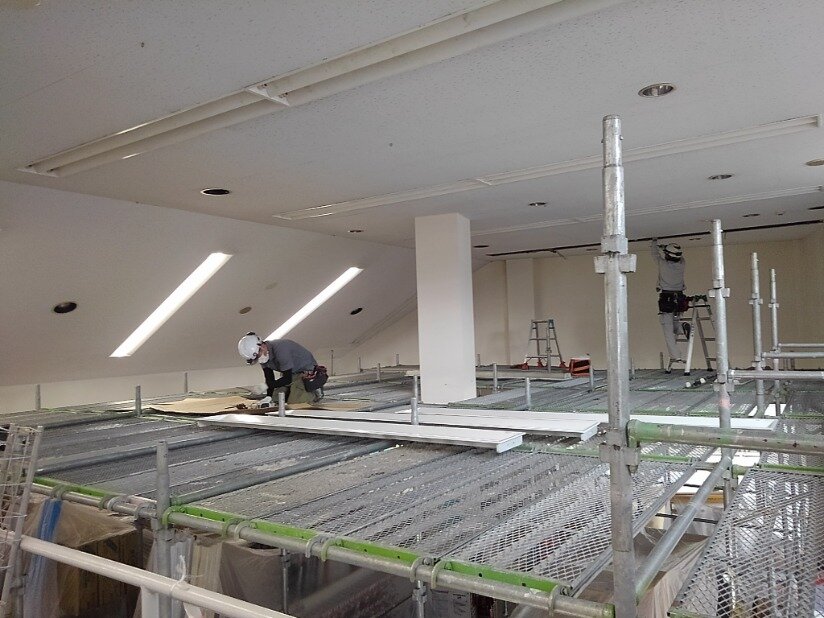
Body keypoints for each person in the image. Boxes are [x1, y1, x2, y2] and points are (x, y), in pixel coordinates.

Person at [237, 332, 326, 405]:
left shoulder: (281, 349)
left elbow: (287, 379)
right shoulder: (264, 356)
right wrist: (269, 397)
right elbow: (269, 378)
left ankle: (315, 392)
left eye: (258, 356)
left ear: (261, 346)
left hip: (306, 374)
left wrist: (266, 385)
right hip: (291, 374)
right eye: (256, 359)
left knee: (295, 404)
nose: (259, 359)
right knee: (276, 399)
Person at [651, 239, 689, 368]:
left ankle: (676, 356)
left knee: (667, 329)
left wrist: (654, 242)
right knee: (675, 322)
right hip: (679, 298)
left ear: (668, 255)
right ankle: (681, 328)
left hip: (667, 299)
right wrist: (665, 249)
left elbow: (654, 254)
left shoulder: (663, 264)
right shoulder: (682, 264)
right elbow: (677, 256)